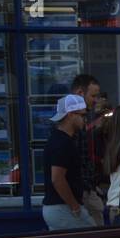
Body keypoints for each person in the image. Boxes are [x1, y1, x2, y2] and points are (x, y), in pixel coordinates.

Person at [41, 94, 94, 230]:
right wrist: (74, 206)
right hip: (63, 208)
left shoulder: (57, 139)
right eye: (82, 115)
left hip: (56, 208)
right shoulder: (63, 143)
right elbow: (57, 179)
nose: (85, 120)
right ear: (70, 115)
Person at [69, 73, 106, 225]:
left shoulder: (86, 119)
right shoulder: (71, 123)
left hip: (86, 188)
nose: (96, 100)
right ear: (80, 93)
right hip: (81, 191)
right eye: (93, 96)